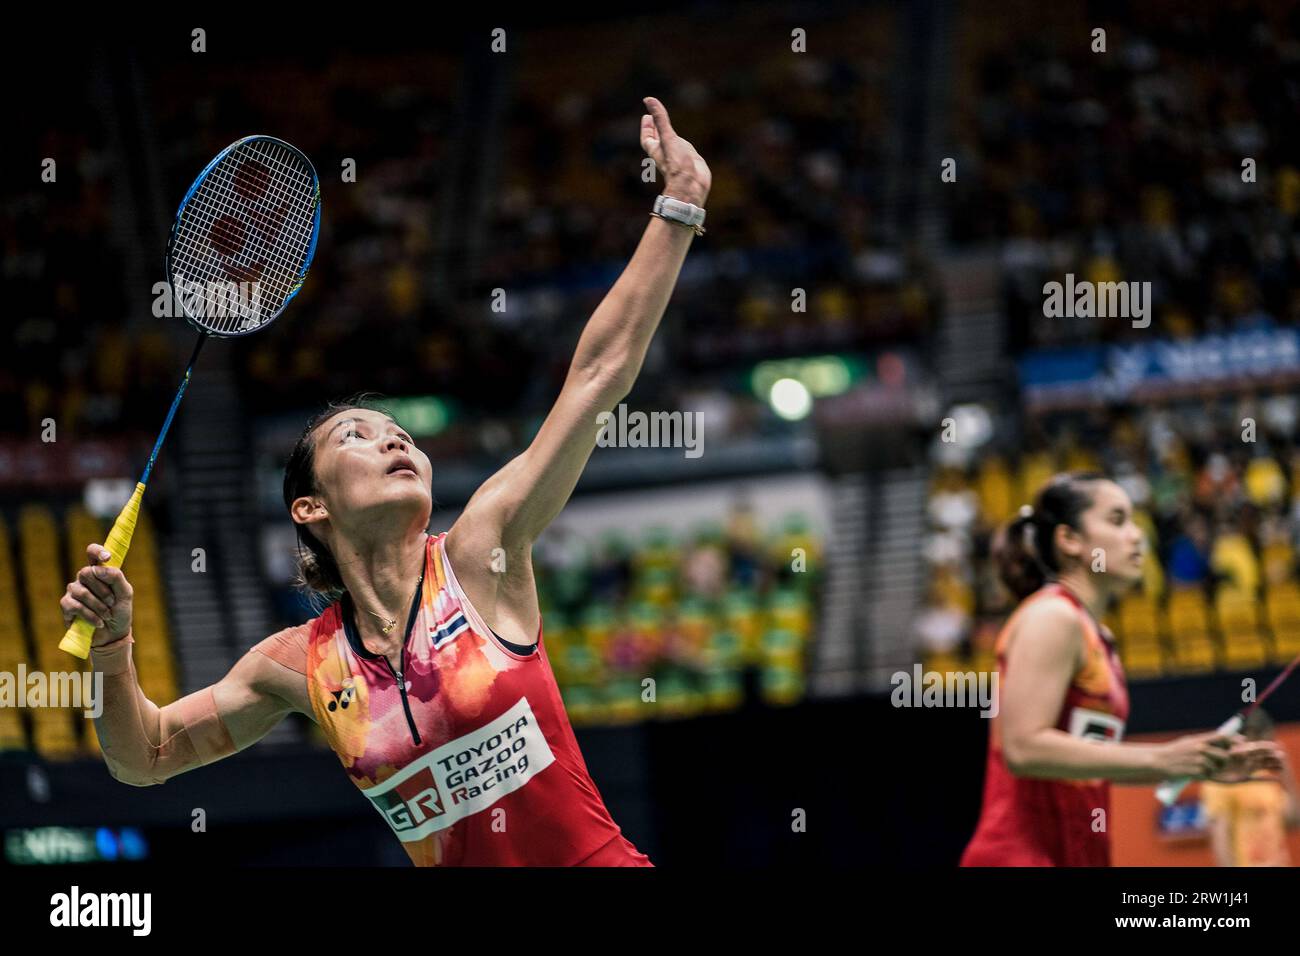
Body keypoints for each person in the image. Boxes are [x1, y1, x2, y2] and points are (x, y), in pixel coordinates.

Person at [60, 96, 711, 866]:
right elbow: (146, 757)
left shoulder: (481, 554)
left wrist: (679, 208)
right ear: (310, 507)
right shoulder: (300, 665)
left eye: (400, 433)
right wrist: (111, 647)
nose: (393, 439)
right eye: (356, 436)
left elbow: (596, 377)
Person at [960, 471, 1283, 866]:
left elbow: (1085, 764)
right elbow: (1023, 746)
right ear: (1070, 540)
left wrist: (1199, 764)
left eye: (1133, 520)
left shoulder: (1098, 638)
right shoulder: (1052, 616)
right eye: (1117, 521)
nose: (1136, 535)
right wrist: (1163, 758)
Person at [1202, 708, 1299, 867]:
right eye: (1266, 739)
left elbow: (1295, 820)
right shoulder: (1222, 781)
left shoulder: (1265, 778)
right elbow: (1221, 843)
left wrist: (1285, 773)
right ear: (1249, 737)